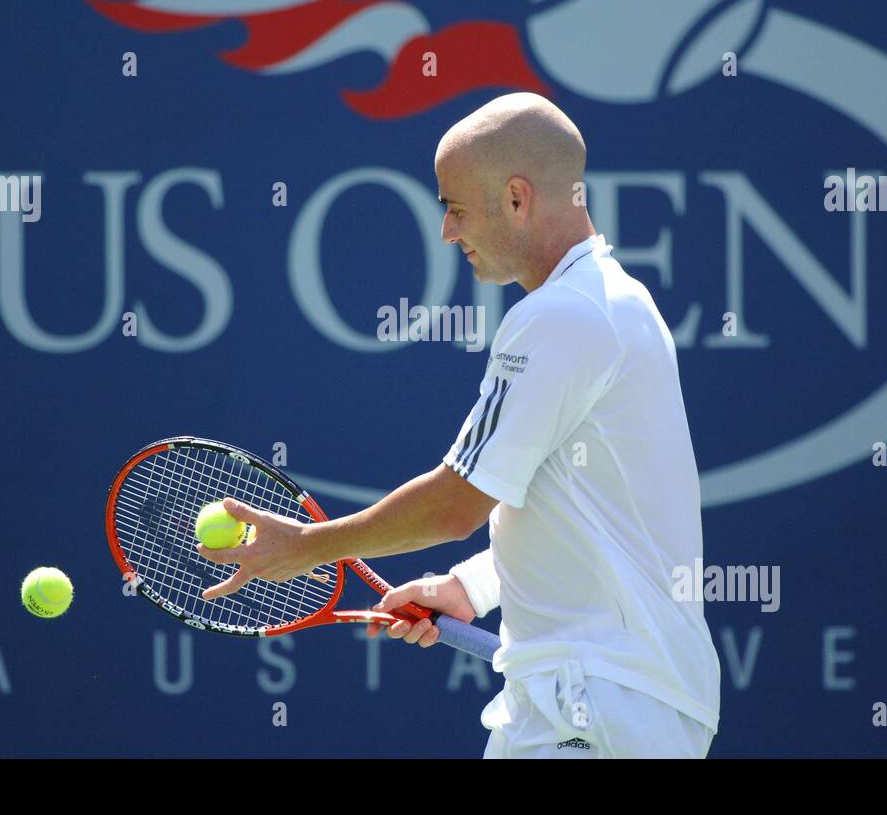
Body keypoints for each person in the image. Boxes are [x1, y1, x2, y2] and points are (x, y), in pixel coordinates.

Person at [199, 92, 720, 758]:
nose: (447, 231)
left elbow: (456, 504)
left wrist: (307, 544)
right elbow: (580, 511)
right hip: (605, 705)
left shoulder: (563, 316)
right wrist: (470, 587)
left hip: (595, 708)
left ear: (516, 198)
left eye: (454, 206)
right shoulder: (617, 303)